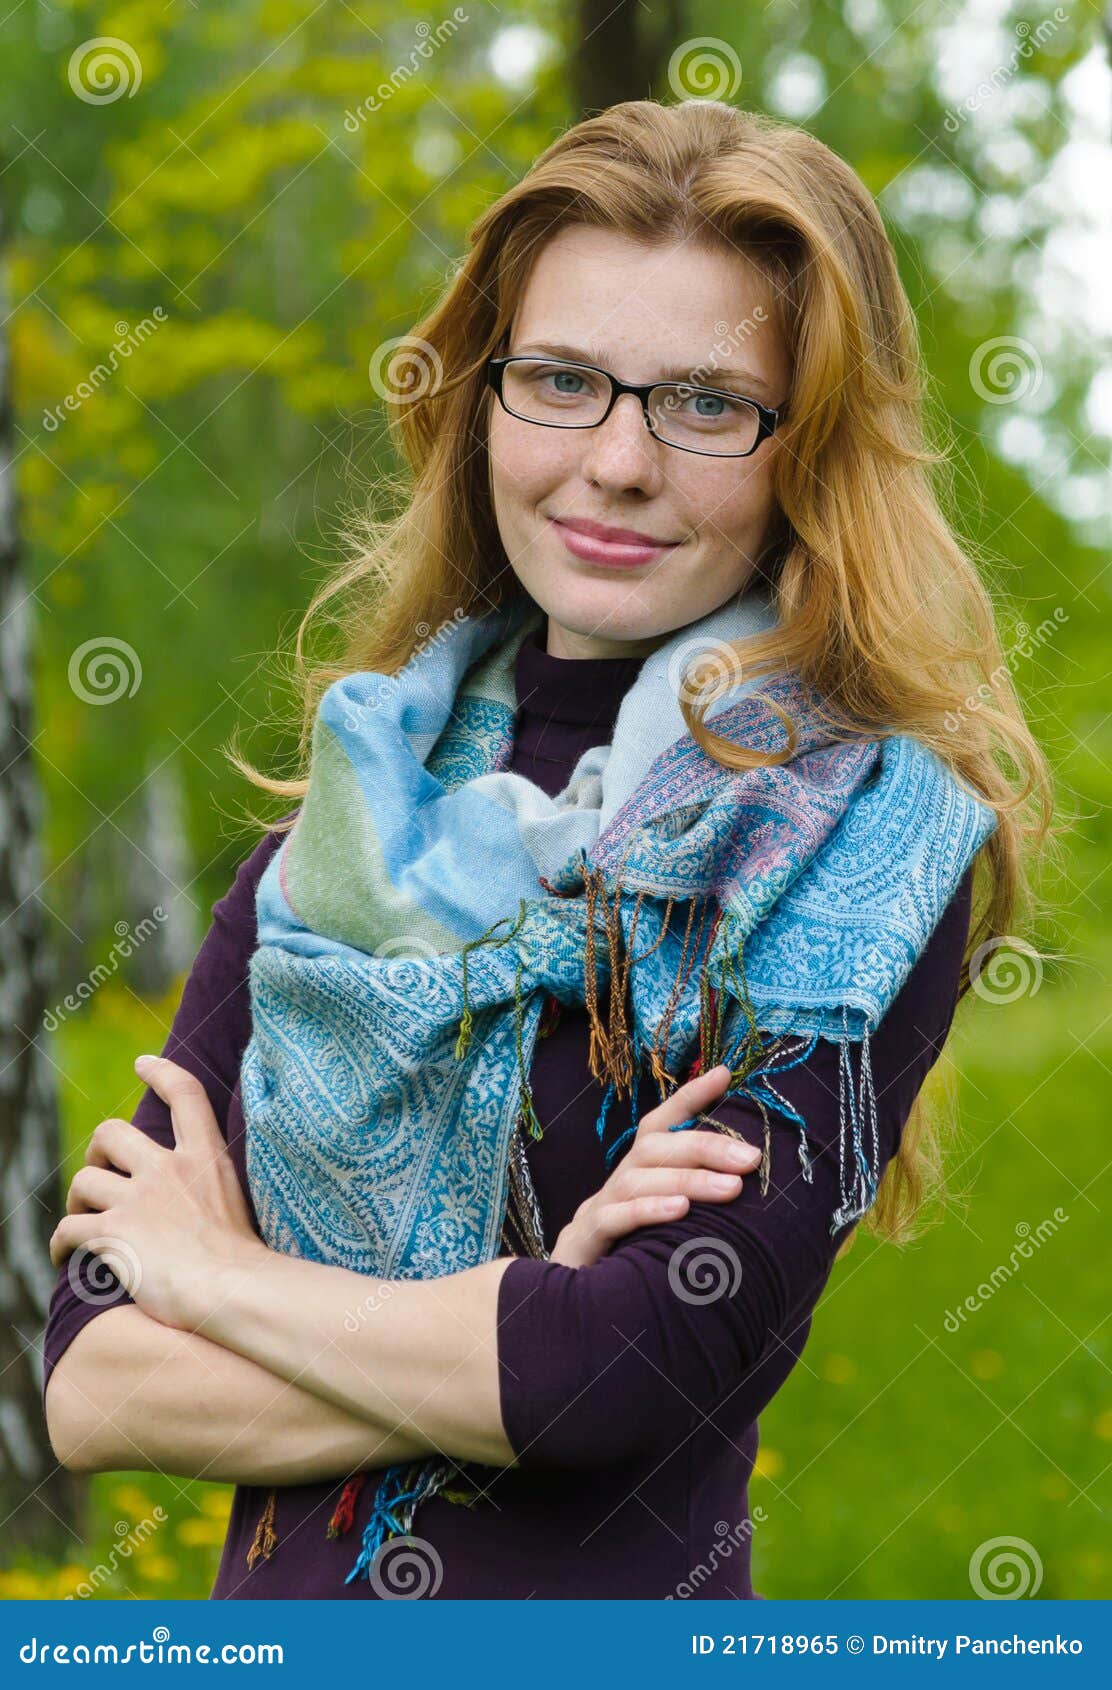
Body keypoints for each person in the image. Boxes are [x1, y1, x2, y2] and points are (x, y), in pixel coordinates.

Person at [41, 98, 1050, 1601]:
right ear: (483, 404)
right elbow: (95, 1379)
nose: (619, 462)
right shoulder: (343, 827)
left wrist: (228, 1283)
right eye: (562, 380)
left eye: (706, 402)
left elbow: (639, 1367)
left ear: (812, 446)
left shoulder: (864, 843)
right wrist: (526, 1313)